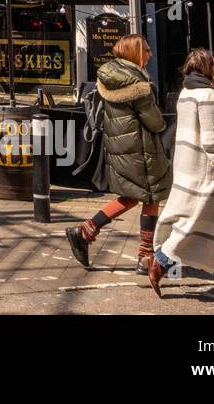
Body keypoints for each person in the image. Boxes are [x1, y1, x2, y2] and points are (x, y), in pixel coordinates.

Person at [149, 48, 214, 299]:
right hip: (209, 173)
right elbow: (211, 138)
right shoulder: (208, 95)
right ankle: (161, 261)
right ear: (208, 67)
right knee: (194, 223)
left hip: (190, 168)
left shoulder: (187, 91)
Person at [64, 34, 171, 273]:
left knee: (135, 196)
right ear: (134, 53)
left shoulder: (113, 78)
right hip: (139, 148)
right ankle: (143, 256)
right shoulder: (138, 85)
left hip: (122, 147)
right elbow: (153, 121)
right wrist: (161, 121)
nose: (150, 54)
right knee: (149, 196)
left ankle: (87, 231)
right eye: (146, 50)